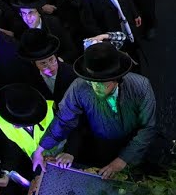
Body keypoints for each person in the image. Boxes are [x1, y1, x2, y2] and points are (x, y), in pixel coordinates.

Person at [33, 42, 167, 178]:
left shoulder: (140, 86)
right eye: (92, 81)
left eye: (102, 83)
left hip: (136, 143)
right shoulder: (79, 86)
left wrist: (122, 160)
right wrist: (40, 149)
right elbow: (64, 119)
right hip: (102, 145)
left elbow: (148, 127)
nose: (95, 87)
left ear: (116, 79)